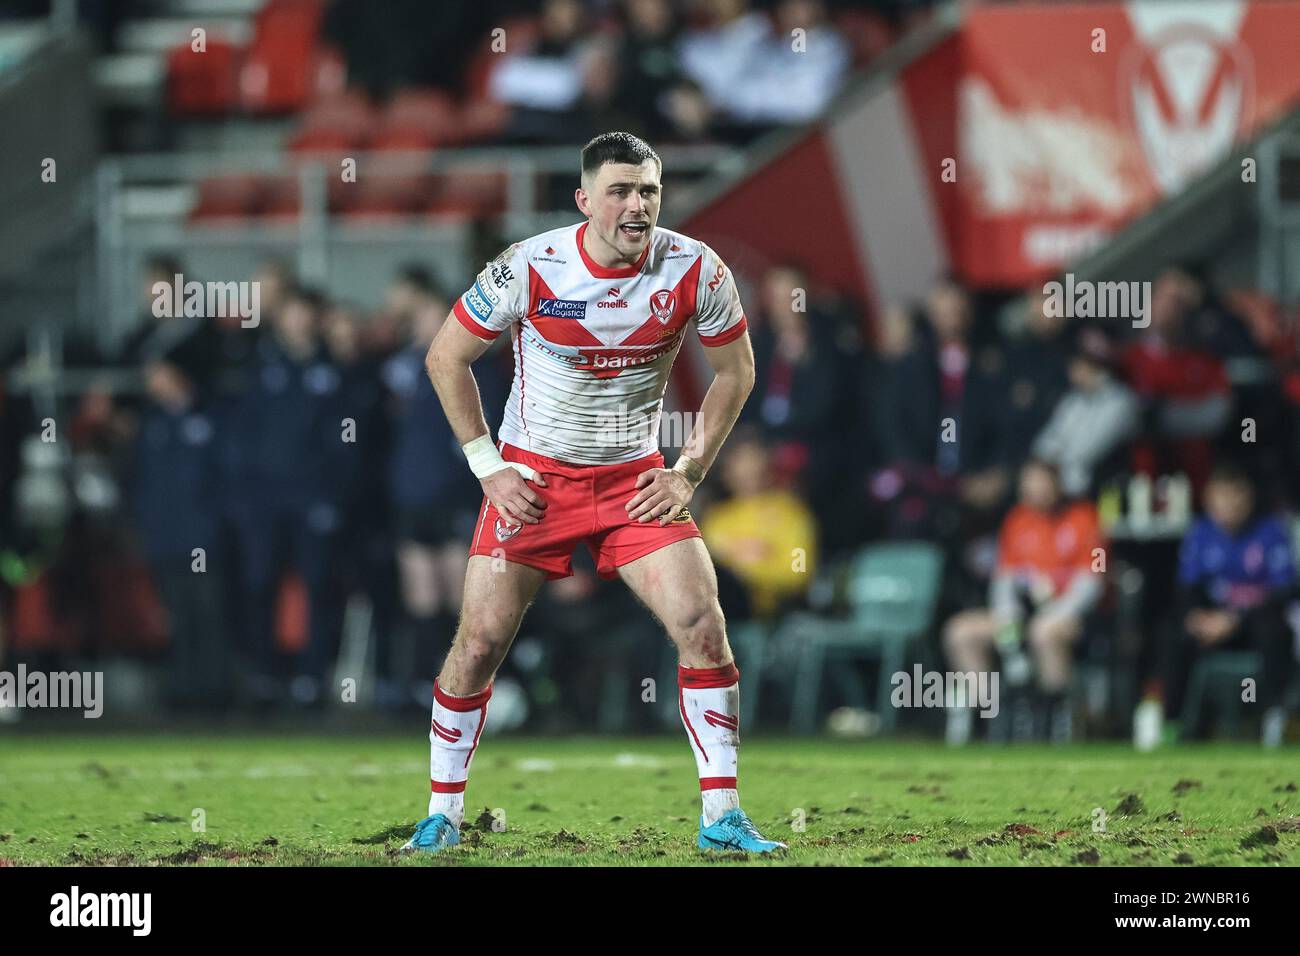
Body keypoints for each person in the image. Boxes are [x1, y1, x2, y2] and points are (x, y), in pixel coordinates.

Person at [405, 131, 784, 854]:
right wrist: (489, 467)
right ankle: (442, 816)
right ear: (585, 201)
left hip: (631, 483)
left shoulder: (697, 269)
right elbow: (445, 357)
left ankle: (722, 818)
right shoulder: (530, 265)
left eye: (649, 190)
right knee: (479, 643)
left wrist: (689, 471)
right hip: (534, 482)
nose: (637, 204)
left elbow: (735, 372)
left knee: (703, 625)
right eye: (621, 190)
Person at [942, 458, 1105, 744]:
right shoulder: (1017, 520)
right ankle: (992, 714)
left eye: (1042, 482)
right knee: (961, 633)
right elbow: (1004, 579)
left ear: (1058, 484)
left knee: (1044, 632)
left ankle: (1056, 715)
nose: (1036, 489)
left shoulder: (1086, 517)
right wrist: (1007, 615)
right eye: (1029, 483)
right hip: (1022, 614)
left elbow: (1095, 579)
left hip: (1069, 615)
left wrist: (1056, 611)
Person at [1137, 461, 1296, 747]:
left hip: (1253, 624)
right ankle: (1168, 720)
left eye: (1236, 496)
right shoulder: (1200, 532)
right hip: (1211, 624)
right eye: (1222, 496)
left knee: (1275, 631)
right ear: (1209, 498)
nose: (1229, 504)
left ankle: (1272, 718)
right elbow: (1187, 588)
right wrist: (1196, 616)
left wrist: (1235, 619)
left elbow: (1283, 591)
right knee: (1171, 632)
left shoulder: (1271, 530)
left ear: (1248, 497)